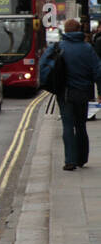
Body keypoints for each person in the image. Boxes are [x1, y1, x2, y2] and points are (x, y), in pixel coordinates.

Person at [39, 17, 101, 170]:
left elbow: (43, 66)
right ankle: (82, 159)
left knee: (67, 125)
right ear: (79, 29)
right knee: (81, 125)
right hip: (83, 93)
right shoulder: (87, 48)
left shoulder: (58, 47)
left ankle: (70, 161)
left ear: (65, 31)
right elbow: (98, 71)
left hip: (65, 92)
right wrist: (100, 91)